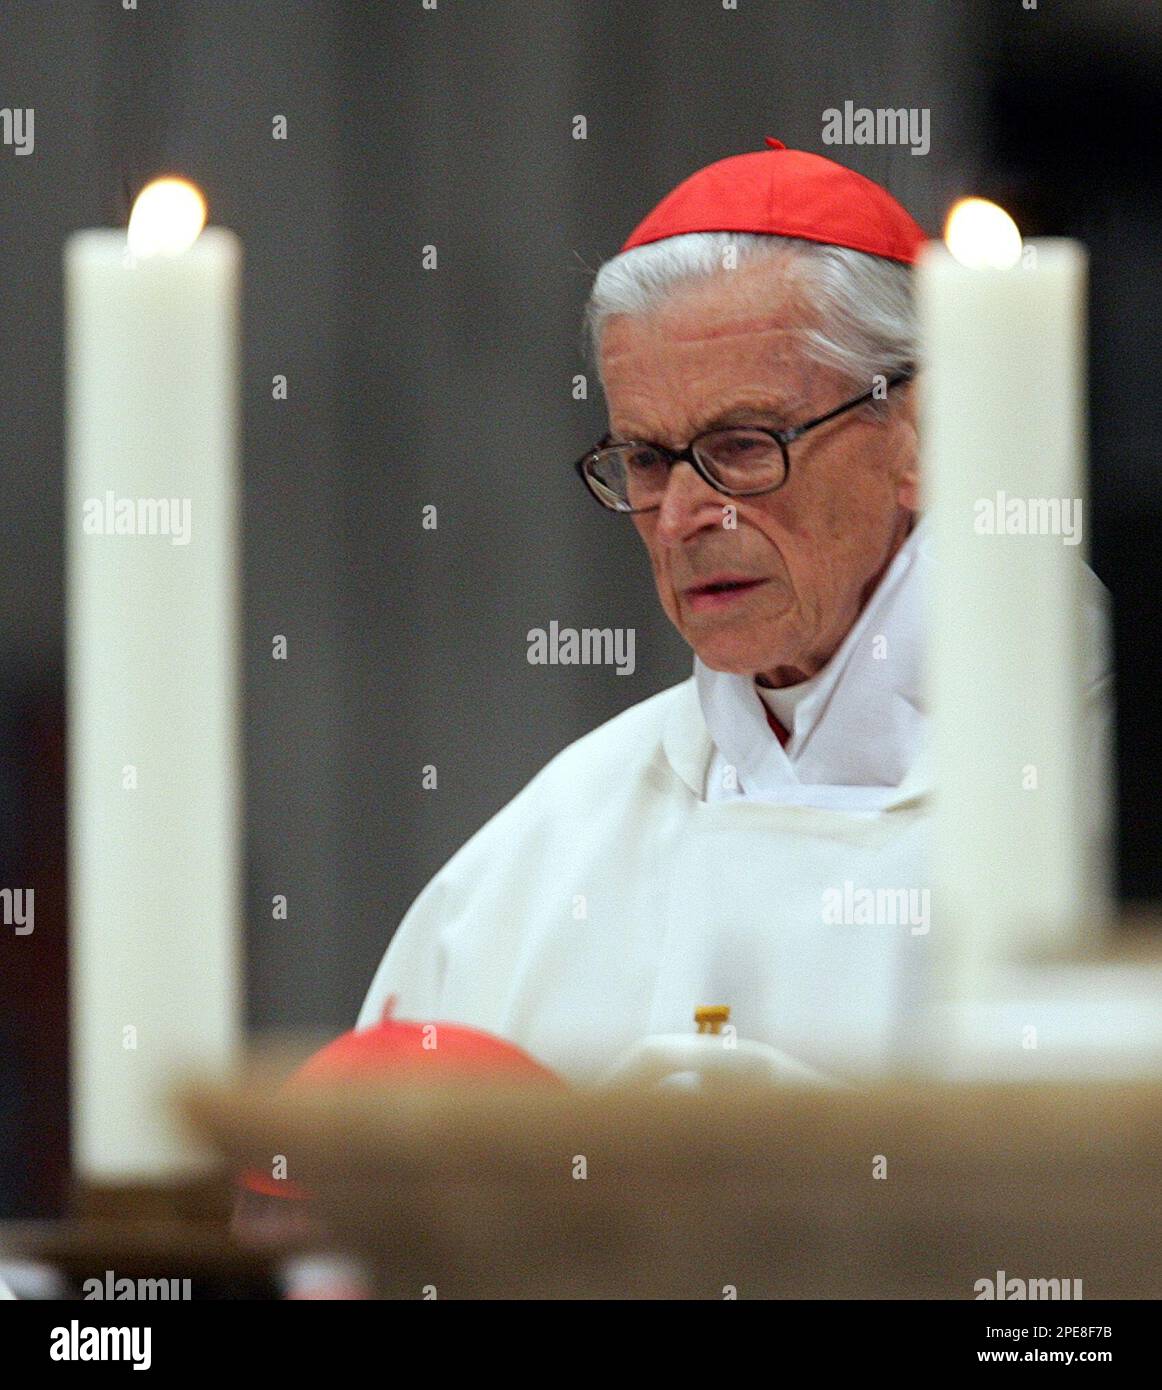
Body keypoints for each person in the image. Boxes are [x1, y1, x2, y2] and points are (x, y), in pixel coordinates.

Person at [356, 140, 1112, 1085]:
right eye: (645, 458)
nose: (681, 519)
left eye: (743, 445)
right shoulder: (544, 856)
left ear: (921, 434)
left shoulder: (1104, 789)